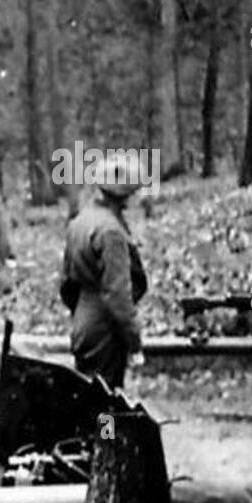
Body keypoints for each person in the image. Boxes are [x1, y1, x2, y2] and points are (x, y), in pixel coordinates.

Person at [60, 156, 147, 389]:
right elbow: (117, 294)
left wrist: (80, 315)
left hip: (83, 321)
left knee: (89, 397)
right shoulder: (111, 232)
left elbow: (67, 284)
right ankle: (105, 428)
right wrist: (134, 340)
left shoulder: (80, 221)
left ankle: (99, 427)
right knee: (105, 401)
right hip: (105, 328)